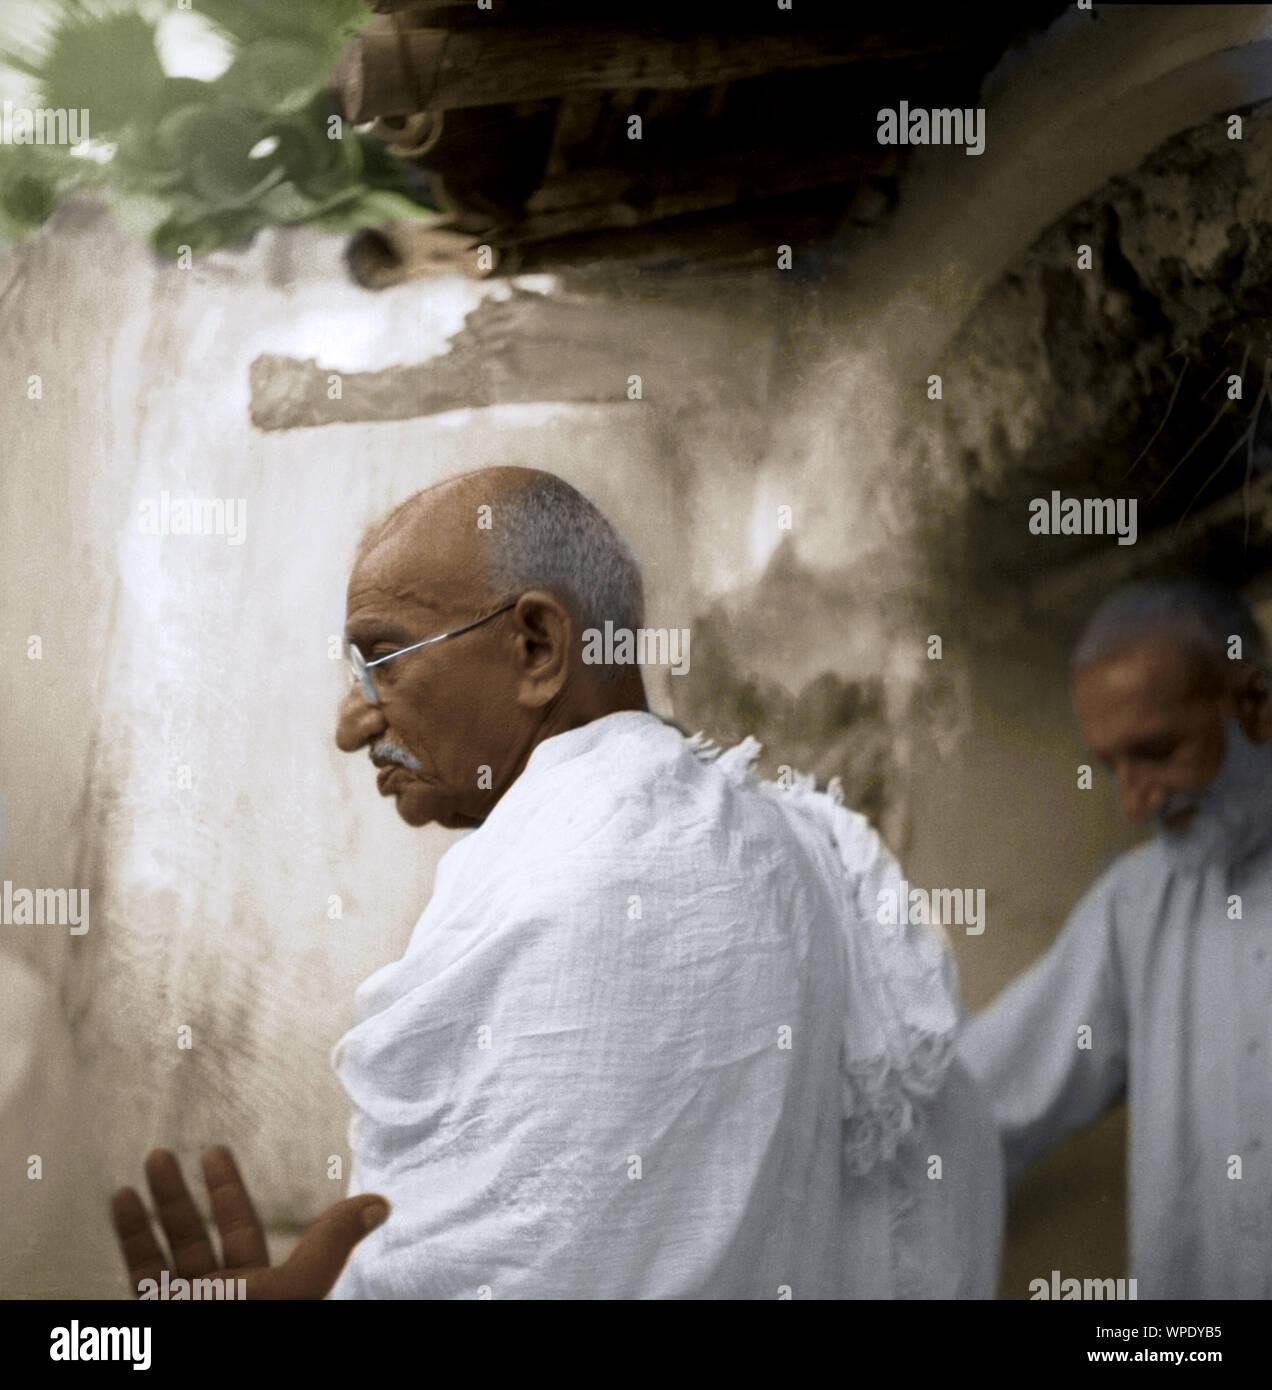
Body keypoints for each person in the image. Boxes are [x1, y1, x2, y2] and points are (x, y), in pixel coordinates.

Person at [114, 466, 1001, 1299]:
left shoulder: (573, 862)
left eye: (382, 659)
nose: (354, 723)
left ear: (536, 647)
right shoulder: (785, 846)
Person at [960, 577, 1272, 1299]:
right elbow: (979, 1095)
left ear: (1253, 703)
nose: (1135, 805)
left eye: (1157, 752)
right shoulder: (1138, 906)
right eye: (1112, 768)